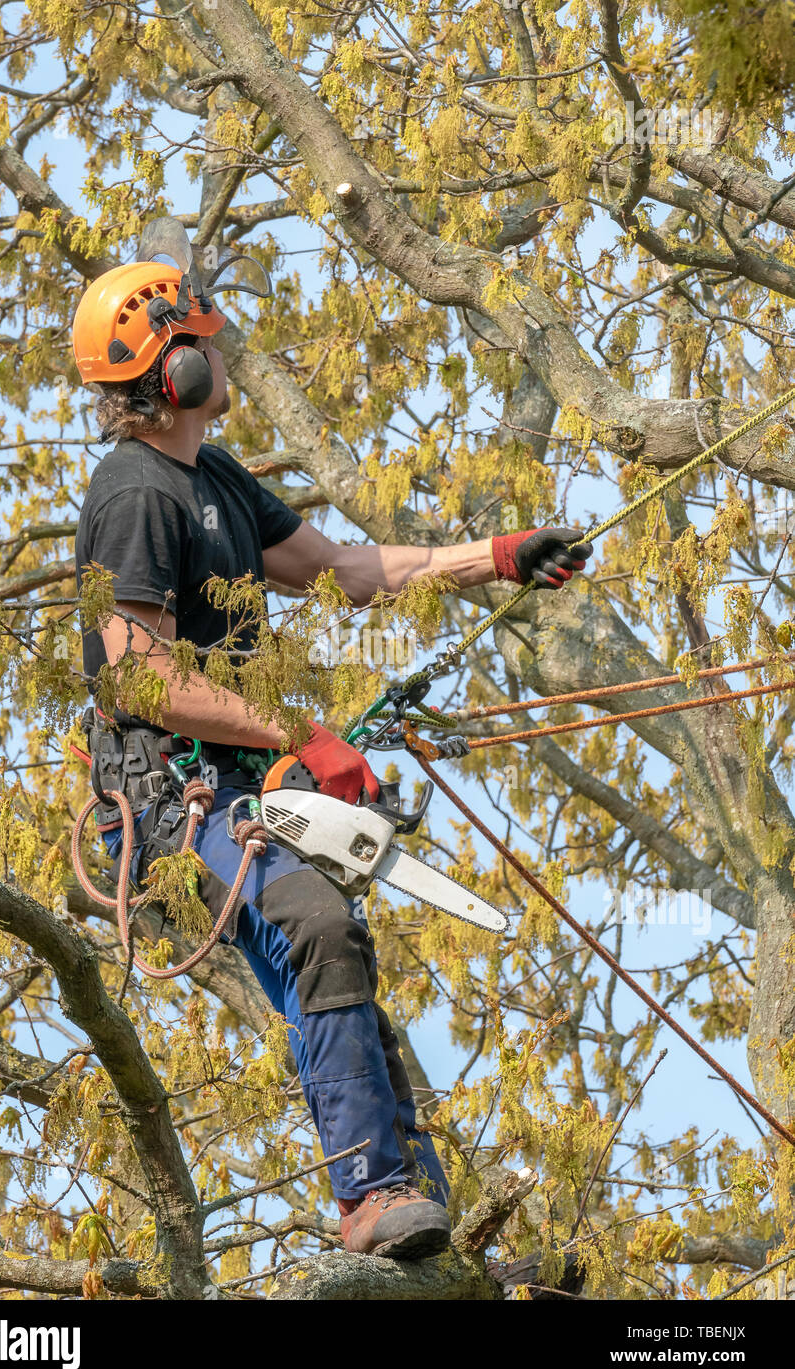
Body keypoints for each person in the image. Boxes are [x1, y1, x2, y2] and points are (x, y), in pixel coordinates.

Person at [72, 242, 592, 1259]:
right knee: (316, 920)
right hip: (168, 805)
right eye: (201, 341)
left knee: (342, 975)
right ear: (170, 369)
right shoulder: (136, 493)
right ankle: (368, 1197)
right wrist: (292, 733)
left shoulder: (209, 474)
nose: (220, 356)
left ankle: (421, 1234)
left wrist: (491, 560)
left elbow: (339, 567)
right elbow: (132, 673)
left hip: (231, 793)